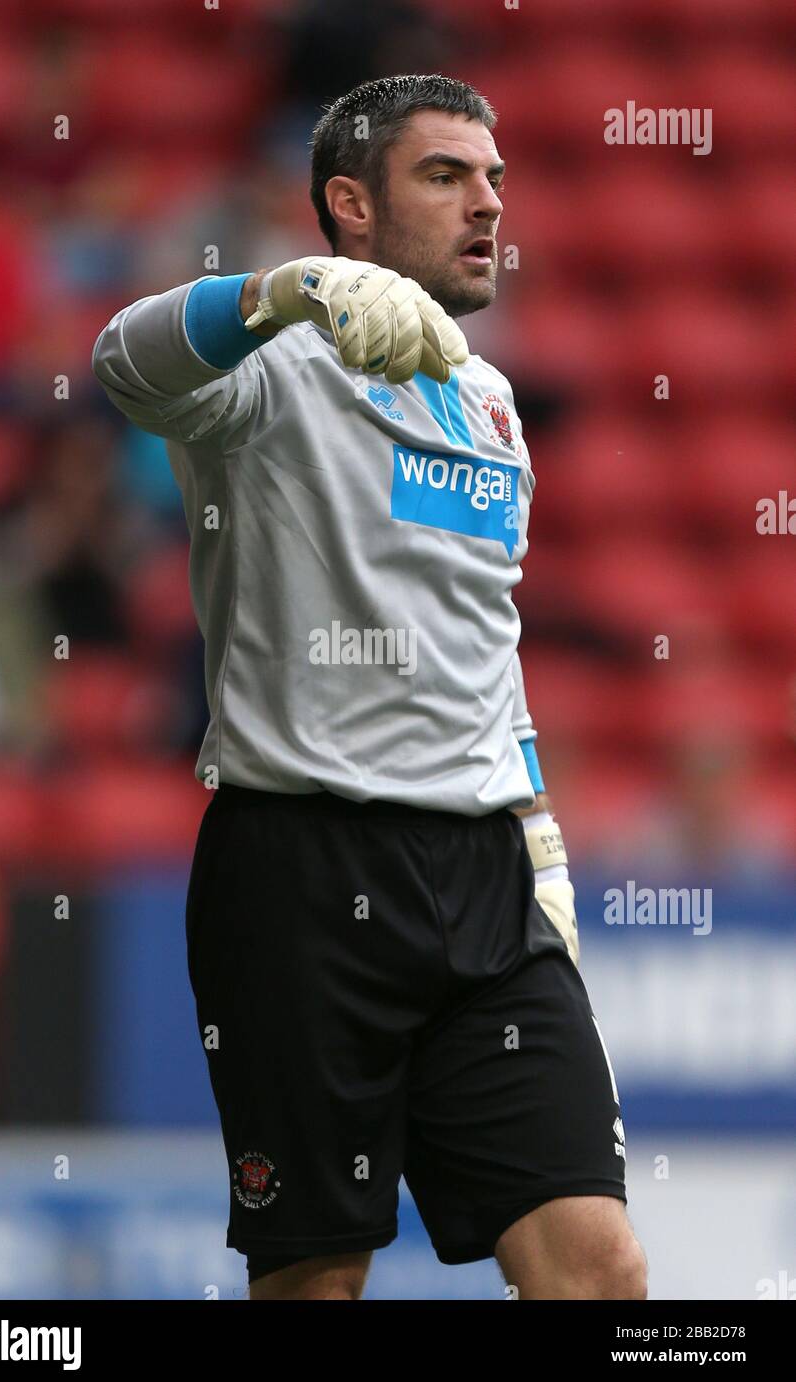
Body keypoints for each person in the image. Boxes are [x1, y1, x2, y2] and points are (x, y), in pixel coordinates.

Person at [93, 73, 646, 1302]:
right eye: (444, 176)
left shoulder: (494, 405)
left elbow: (477, 645)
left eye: (494, 179)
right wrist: (277, 290)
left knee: (597, 1270)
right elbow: (119, 362)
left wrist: (534, 822)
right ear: (349, 204)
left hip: (488, 885)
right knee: (318, 1281)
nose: (486, 205)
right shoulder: (267, 374)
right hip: (300, 867)